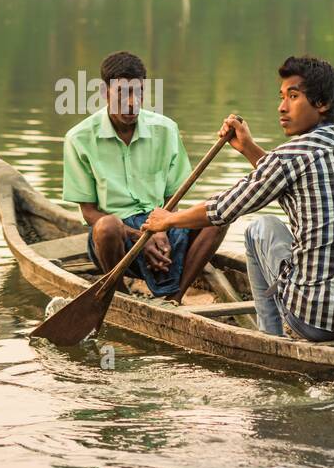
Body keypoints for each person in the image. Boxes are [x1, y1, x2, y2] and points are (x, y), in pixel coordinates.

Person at [142, 55, 334, 340]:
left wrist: (169, 219)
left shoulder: (291, 156)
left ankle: (270, 337)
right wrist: (248, 147)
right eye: (282, 96)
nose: (282, 107)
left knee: (259, 229)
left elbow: (224, 209)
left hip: (315, 322)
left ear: (321, 104)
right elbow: (285, 178)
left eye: (293, 96)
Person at [62, 51, 228, 301]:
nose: (131, 103)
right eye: (122, 93)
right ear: (104, 93)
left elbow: (174, 197)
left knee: (220, 214)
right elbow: (88, 213)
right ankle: (117, 296)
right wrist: (140, 235)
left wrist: (163, 226)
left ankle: (175, 297)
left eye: (138, 93)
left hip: (163, 227)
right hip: (116, 239)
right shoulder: (79, 138)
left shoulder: (166, 129)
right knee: (107, 226)